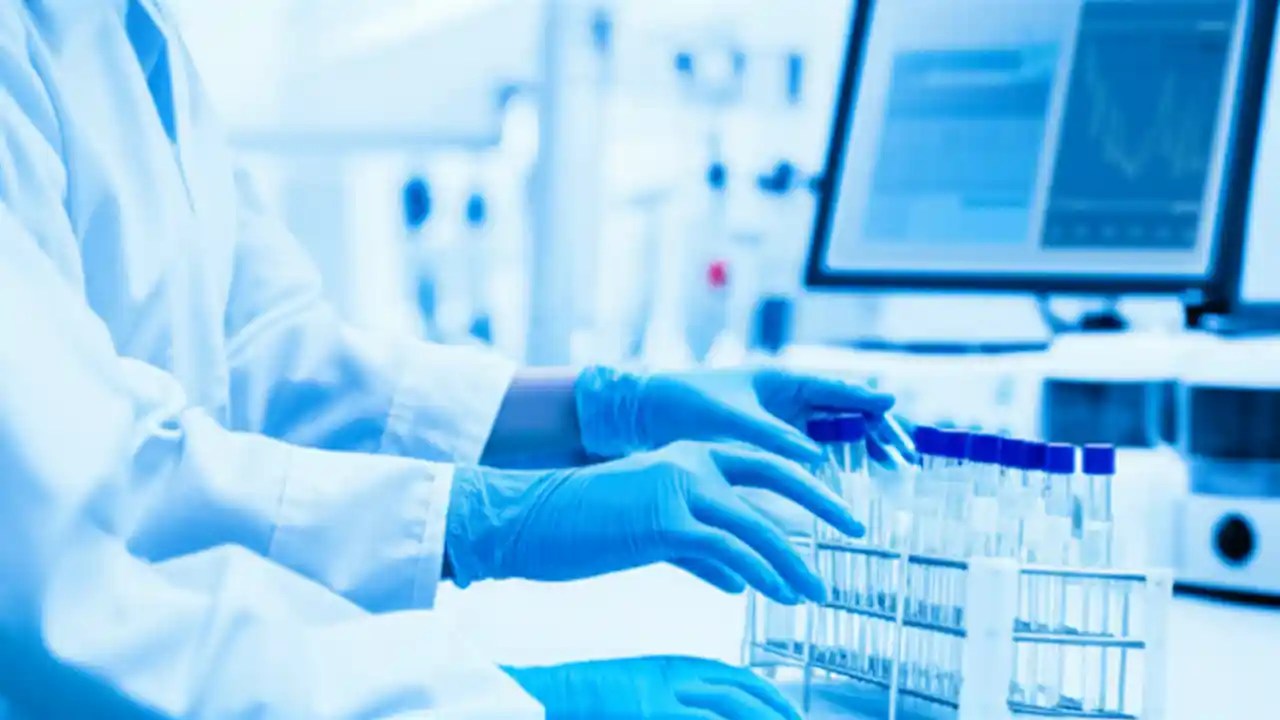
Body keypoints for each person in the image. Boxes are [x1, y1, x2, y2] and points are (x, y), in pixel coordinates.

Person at [0, 1, 911, 717]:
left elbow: (267, 354)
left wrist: (605, 407)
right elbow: (67, 557)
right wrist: (510, 668)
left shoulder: (129, 28)